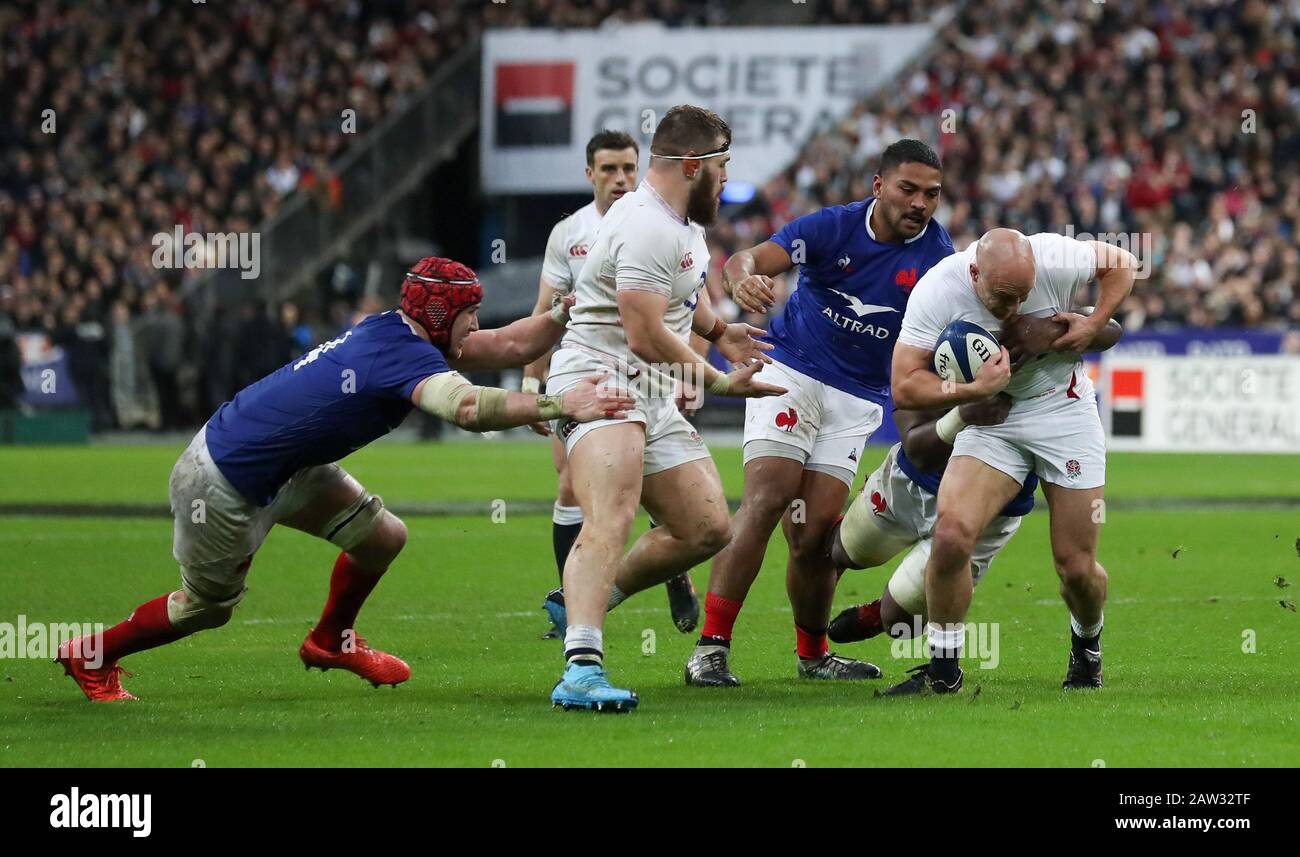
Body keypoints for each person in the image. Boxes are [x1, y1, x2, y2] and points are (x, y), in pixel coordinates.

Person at [55, 257, 634, 702]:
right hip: (226, 478)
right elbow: (464, 408)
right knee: (205, 609)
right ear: (439, 316)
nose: (476, 324)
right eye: (468, 313)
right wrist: (559, 404)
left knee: (382, 537)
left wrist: (561, 315)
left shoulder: (394, 330)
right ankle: (92, 655)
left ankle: (330, 641)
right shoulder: (405, 357)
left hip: (282, 462)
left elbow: (505, 345)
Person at [542, 105, 785, 712]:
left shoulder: (680, 223)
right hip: (601, 380)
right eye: (723, 166)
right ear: (694, 167)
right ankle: (580, 668)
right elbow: (645, 331)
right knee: (611, 514)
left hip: (646, 387)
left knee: (706, 528)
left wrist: (720, 329)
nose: (728, 179)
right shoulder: (648, 225)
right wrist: (719, 381)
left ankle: (587, 595)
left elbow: (679, 302)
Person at [685, 140, 954, 687]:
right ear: (879, 186)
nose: (920, 204)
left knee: (814, 539)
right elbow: (748, 258)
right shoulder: (833, 227)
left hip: (858, 398)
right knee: (767, 499)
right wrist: (743, 278)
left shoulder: (939, 261)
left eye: (932, 194)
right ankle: (710, 649)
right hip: (792, 370)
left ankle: (813, 655)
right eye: (908, 189)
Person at [883, 228, 1136, 695]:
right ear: (975, 273)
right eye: (1002, 298)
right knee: (952, 535)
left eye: (1023, 296)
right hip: (995, 418)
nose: (1014, 308)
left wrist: (1091, 320)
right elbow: (904, 386)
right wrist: (970, 392)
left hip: (1064, 410)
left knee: (1076, 568)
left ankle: (1087, 645)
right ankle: (944, 673)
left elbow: (1123, 262)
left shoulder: (1055, 253)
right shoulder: (939, 289)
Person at [825, 312, 1122, 652]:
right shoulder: (922, 346)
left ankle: (882, 615)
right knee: (838, 550)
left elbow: (1109, 328)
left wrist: (1054, 330)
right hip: (912, 484)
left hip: (988, 514)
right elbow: (918, 449)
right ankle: (813, 651)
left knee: (901, 625)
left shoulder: (1031, 322)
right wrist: (964, 412)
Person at [524, 130, 700, 639]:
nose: (620, 178)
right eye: (608, 170)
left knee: (664, 503)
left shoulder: (665, 224)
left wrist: (694, 375)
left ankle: (663, 565)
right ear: (590, 175)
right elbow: (545, 314)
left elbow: (691, 308)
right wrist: (532, 384)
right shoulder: (570, 234)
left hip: (654, 380)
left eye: (628, 167)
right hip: (588, 381)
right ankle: (571, 610)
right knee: (575, 489)